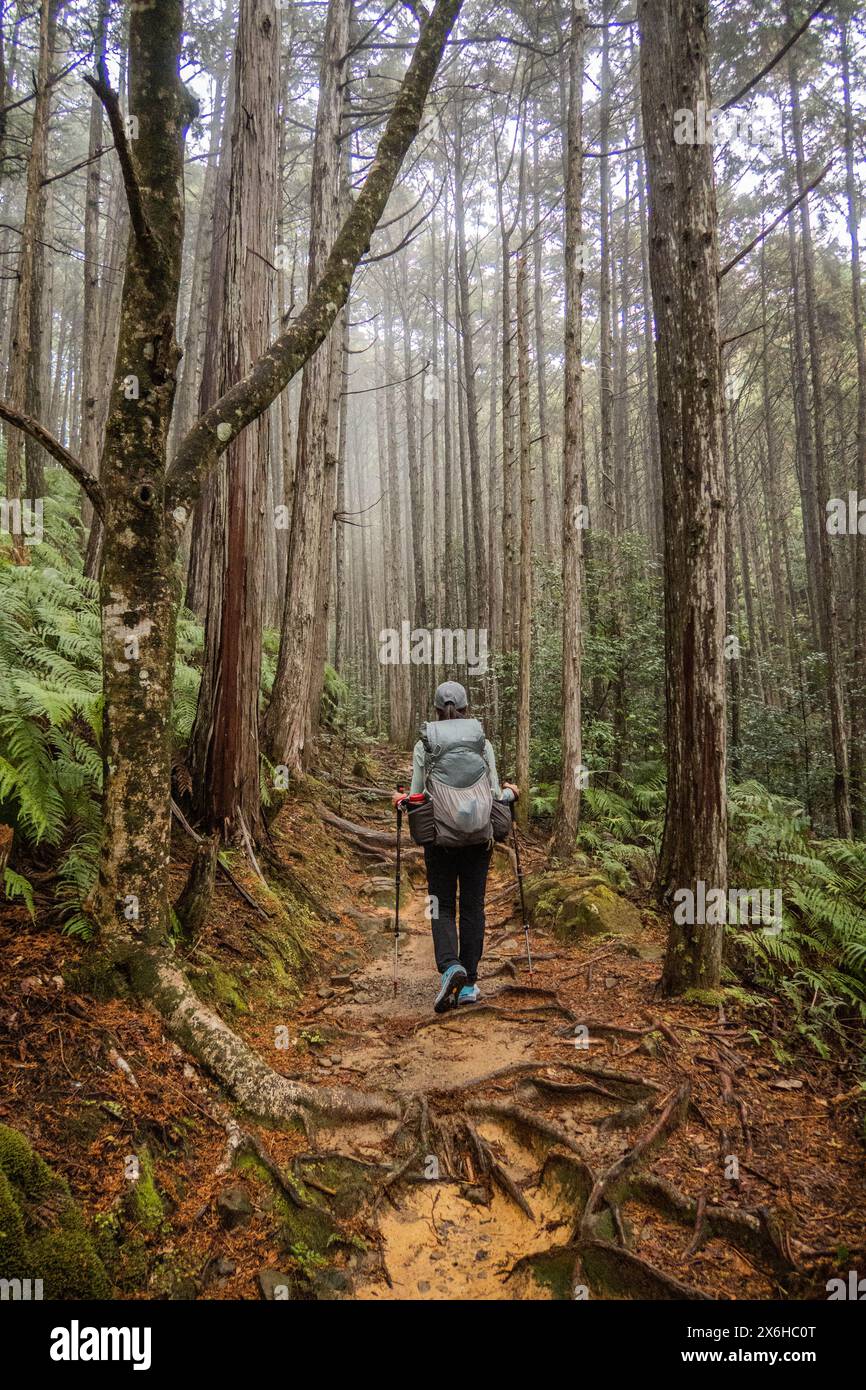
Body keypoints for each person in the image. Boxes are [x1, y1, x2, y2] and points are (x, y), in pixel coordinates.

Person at [393, 681, 519, 1013]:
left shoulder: (425, 745)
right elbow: (494, 795)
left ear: (436, 710)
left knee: (442, 904)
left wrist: (401, 800)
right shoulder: (483, 744)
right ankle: (470, 985)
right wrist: (512, 793)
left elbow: (418, 795)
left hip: (441, 839)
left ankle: (451, 966)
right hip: (480, 837)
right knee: (473, 907)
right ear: (466, 709)